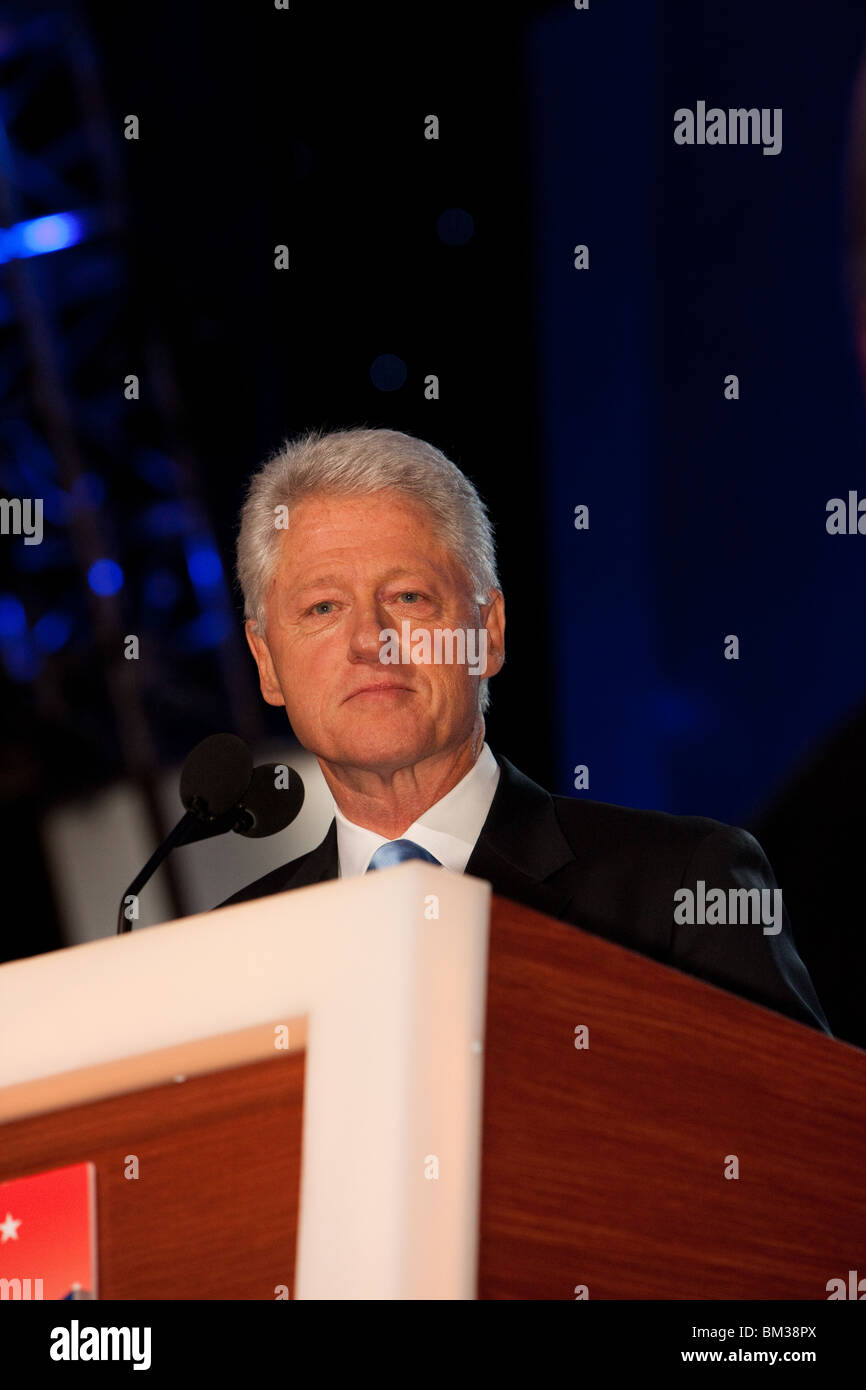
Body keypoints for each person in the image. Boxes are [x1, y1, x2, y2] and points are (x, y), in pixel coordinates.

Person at [218, 425, 831, 1035]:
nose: (369, 641)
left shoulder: (683, 885)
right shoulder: (232, 948)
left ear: (487, 633)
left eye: (408, 597)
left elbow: (801, 1126)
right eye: (322, 608)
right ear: (267, 662)